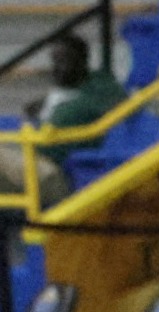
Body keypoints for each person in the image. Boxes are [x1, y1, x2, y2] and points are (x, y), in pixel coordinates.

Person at [0, 34, 126, 208]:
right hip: (28, 157)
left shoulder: (100, 88)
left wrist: (61, 106)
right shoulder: (64, 92)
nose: (57, 69)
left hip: (53, 172)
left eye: (64, 62)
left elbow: (117, 100)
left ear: (82, 61)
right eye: (55, 62)